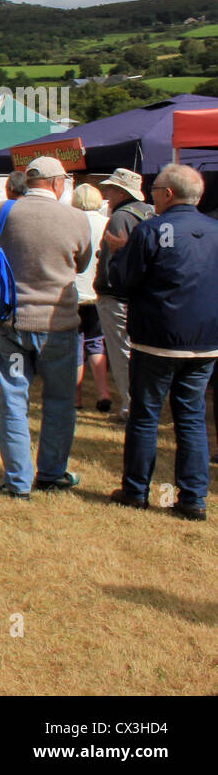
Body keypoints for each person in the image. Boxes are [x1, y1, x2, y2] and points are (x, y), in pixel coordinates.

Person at [105, 164, 217, 520]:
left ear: (168, 193)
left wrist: (121, 254)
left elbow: (123, 283)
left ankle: (136, 491)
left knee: (145, 415)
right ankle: (193, 499)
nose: (150, 194)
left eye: (154, 189)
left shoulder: (151, 230)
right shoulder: (214, 230)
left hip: (157, 336)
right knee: (191, 418)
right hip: (205, 340)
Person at [0, 157, 92, 499]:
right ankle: (51, 472)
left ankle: (18, 481)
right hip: (58, 323)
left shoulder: (5, 211)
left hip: (13, 321)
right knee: (60, 401)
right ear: (57, 182)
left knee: (13, 400)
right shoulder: (76, 217)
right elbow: (82, 261)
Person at [93, 168, 153, 422]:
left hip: (118, 297)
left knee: (122, 355)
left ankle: (131, 409)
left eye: (109, 189)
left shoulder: (121, 218)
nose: (106, 194)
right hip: (143, 296)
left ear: (120, 191)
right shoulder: (149, 212)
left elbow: (111, 262)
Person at [70, 184, 112, 412]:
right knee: (96, 343)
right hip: (98, 293)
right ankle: (103, 392)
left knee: (75, 344)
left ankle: (76, 398)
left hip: (75, 293)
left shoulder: (71, 222)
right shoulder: (107, 223)